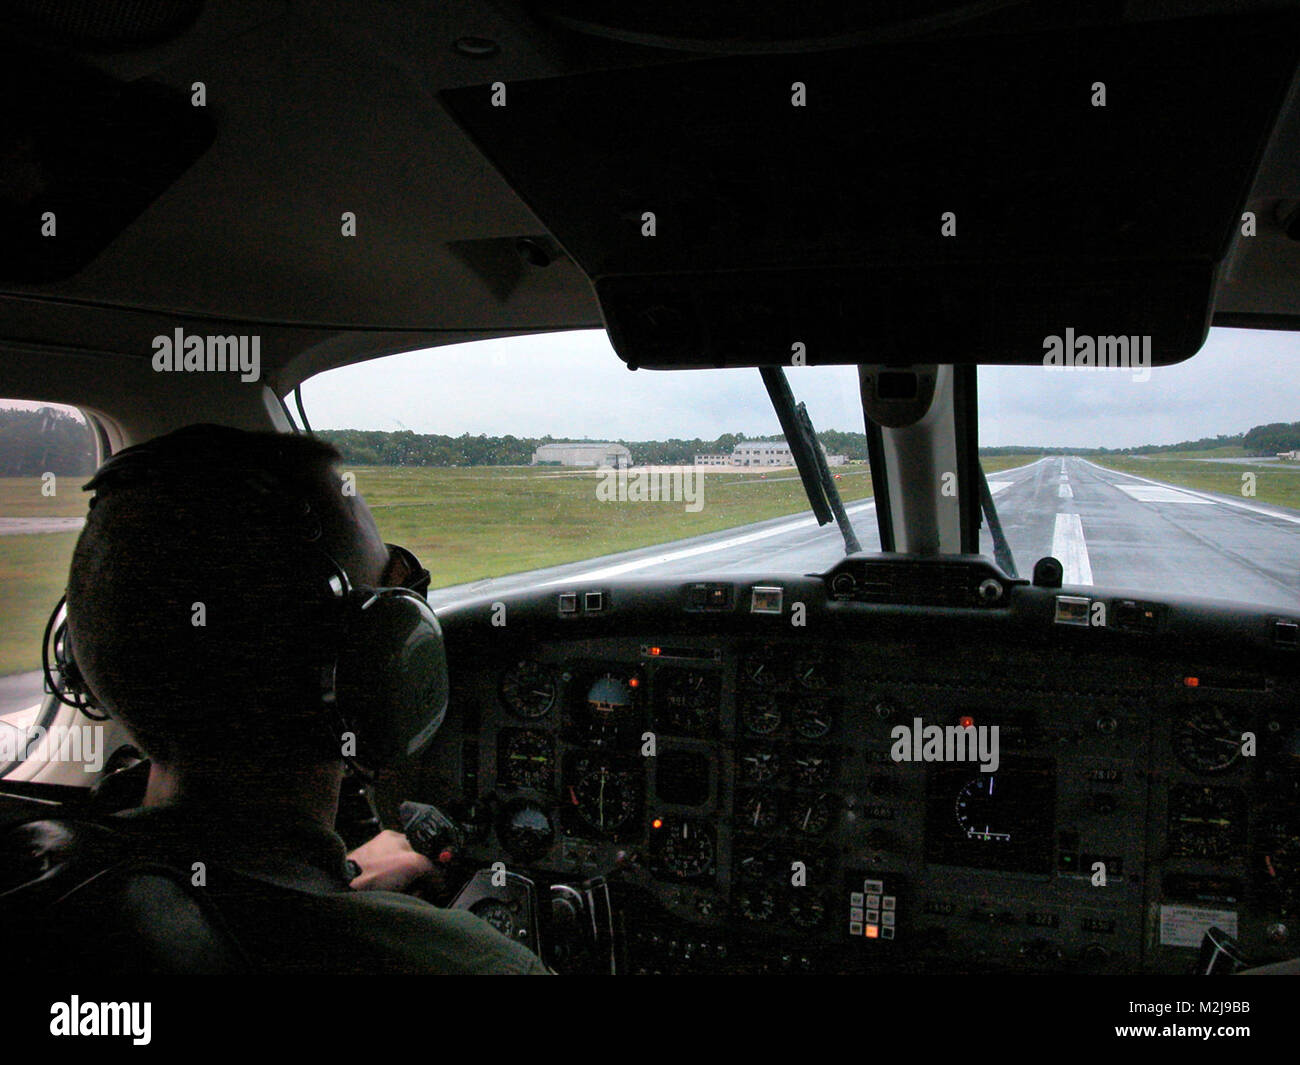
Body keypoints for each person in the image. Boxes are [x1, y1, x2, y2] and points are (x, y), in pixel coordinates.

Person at [52, 423, 547, 974]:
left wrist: (335, 879)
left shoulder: (60, 874)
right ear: (371, 662)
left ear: (84, 652)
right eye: (396, 591)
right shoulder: (460, 962)